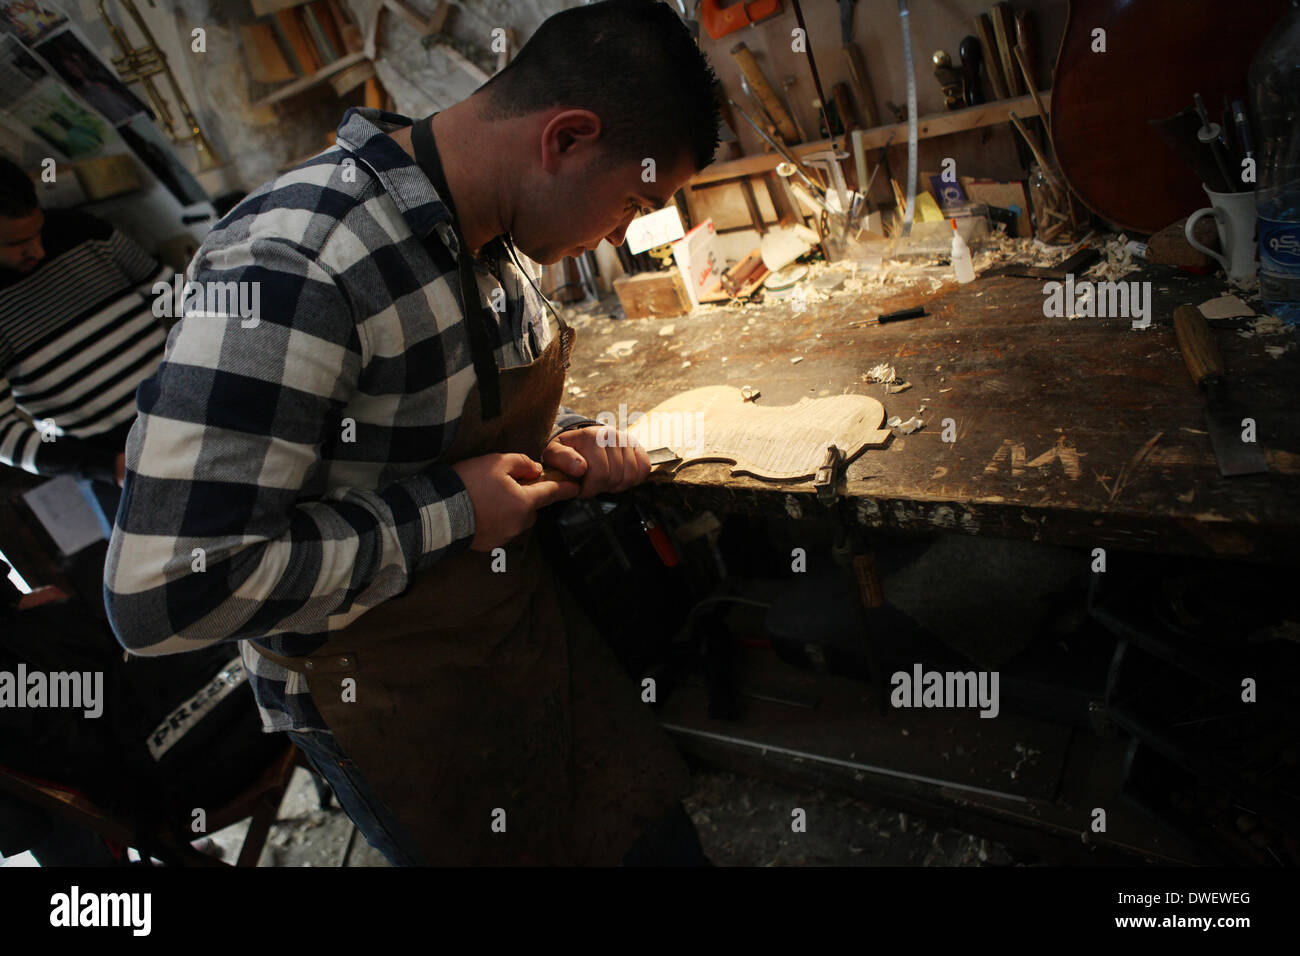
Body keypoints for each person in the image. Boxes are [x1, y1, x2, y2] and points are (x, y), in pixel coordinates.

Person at [105, 0, 720, 866]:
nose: (622, 232)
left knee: (651, 845)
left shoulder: (495, 221)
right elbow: (164, 595)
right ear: (566, 139)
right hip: (385, 695)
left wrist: (562, 441)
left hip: (514, 635)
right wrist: (455, 512)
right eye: (632, 202)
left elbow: (427, 421)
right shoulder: (297, 261)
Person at [0, 154, 171, 536]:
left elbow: (171, 293)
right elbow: (4, 436)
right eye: (15, 244)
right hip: (110, 459)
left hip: (182, 402)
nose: (37, 251)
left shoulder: (82, 230)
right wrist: (108, 467)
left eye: (37, 232)